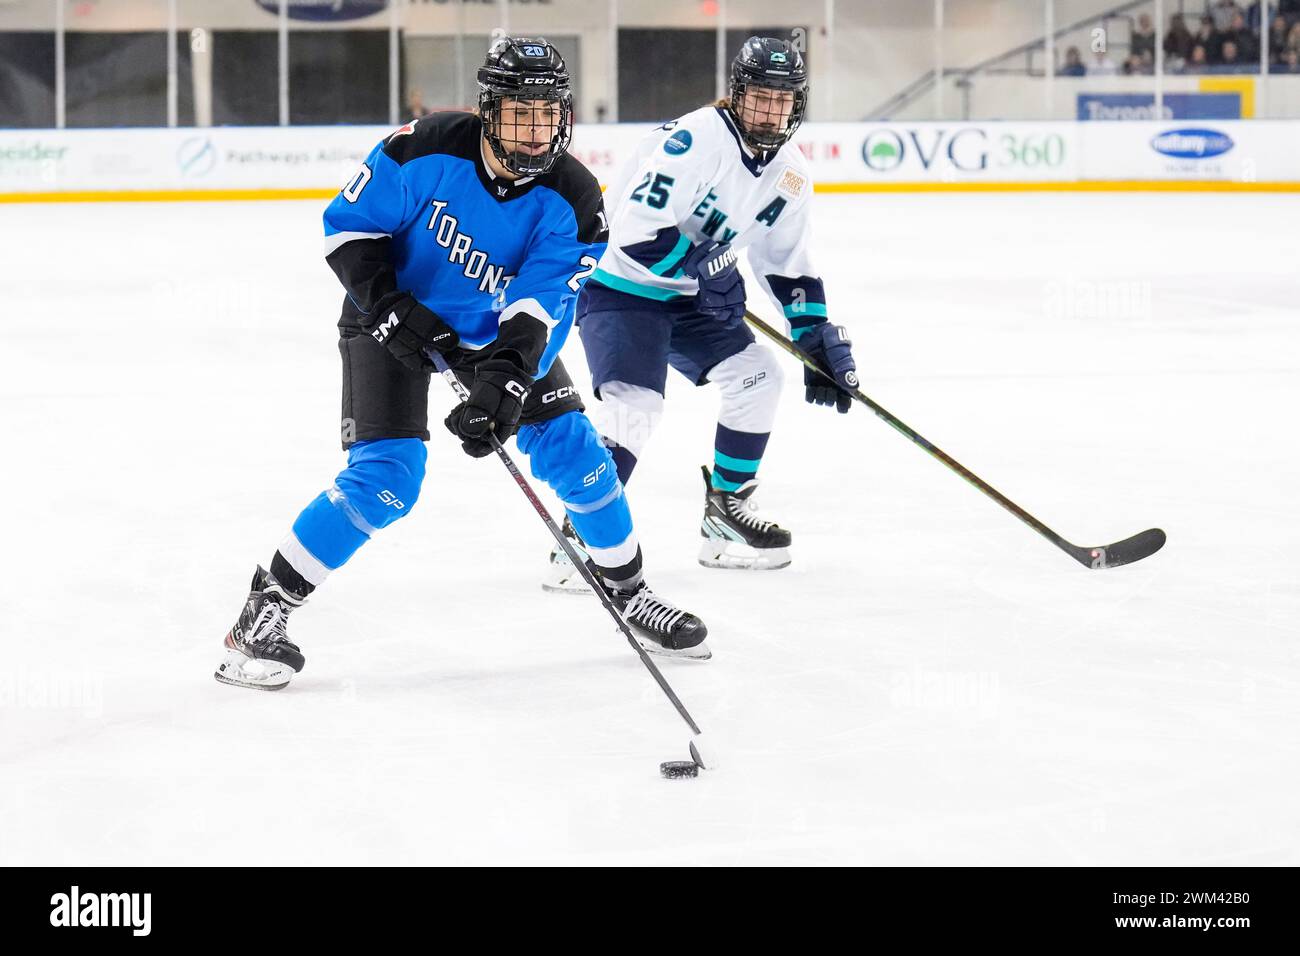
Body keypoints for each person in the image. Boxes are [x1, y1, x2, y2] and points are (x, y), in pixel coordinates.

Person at [215, 37, 710, 690]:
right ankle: (262, 614)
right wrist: (390, 306)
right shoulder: (423, 149)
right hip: (387, 314)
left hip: (495, 334)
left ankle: (631, 591)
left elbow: (538, 309)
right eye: (519, 113)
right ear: (489, 111)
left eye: (547, 113)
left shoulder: (577, 201)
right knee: (388, 478)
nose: (535, 131)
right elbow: (347, 228)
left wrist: (504, 387)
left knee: (576, 454)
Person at [545, 36, 857, 584]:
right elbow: (632, 230)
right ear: (737, 94)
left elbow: (786, 262)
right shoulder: (696, 139)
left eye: (782, 100)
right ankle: (584, 533)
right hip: (622, 285)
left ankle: (726, 516)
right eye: (760, 97)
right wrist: (702, 267)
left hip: (690, 296)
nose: (770, 111)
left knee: (759, 375)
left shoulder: (790, 173)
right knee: (635, 407)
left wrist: (813, 335)